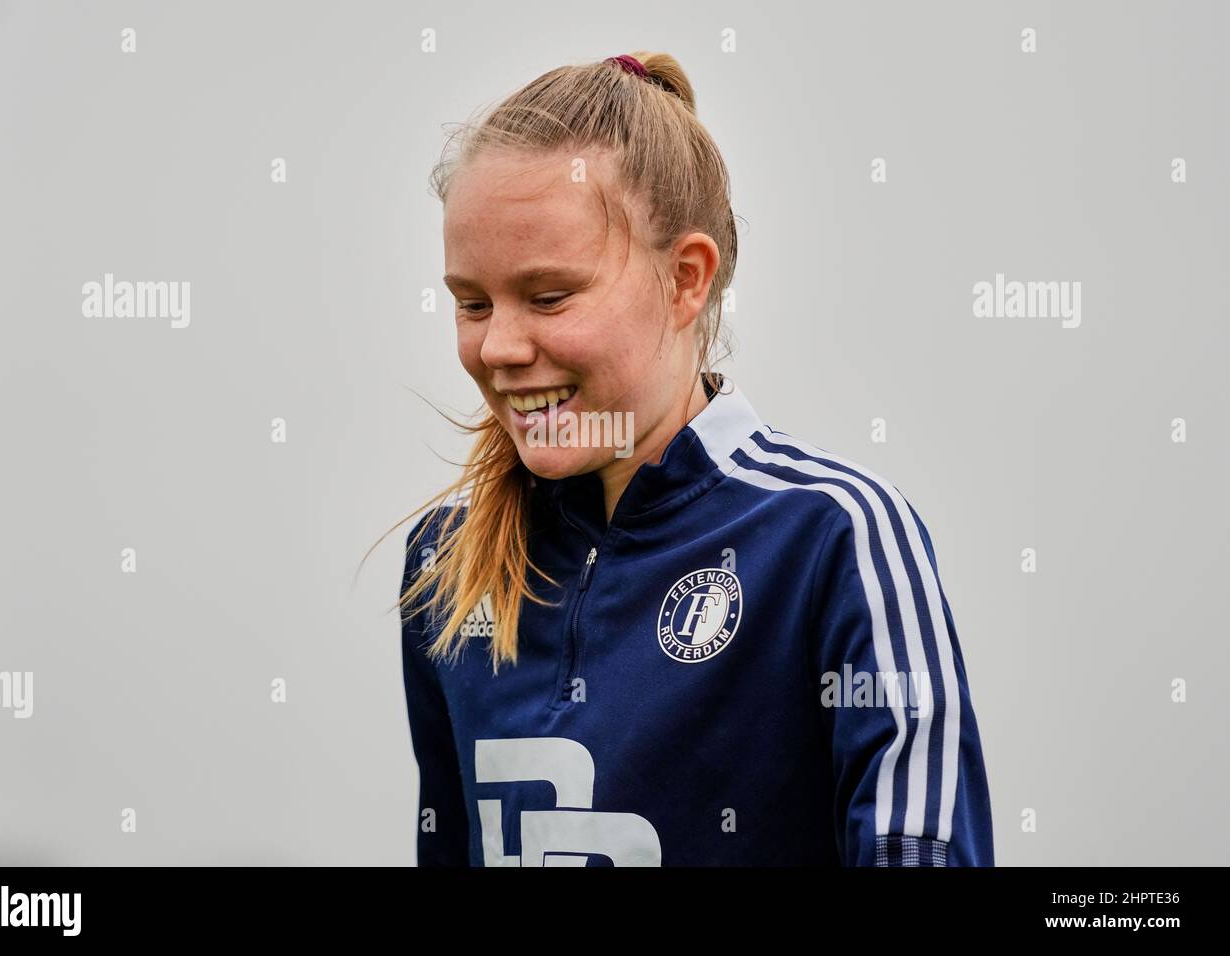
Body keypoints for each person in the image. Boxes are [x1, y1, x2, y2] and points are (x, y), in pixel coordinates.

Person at [383, 51, 994, 866]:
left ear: (685, 280)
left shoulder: (832, 536)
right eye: (472, 302)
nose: (498, 346)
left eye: (550, 296)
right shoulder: (446, 559)